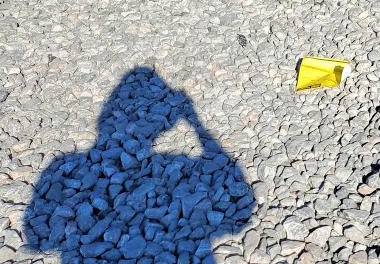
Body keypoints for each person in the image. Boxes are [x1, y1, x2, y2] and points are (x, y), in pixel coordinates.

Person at [24, 67, 254, 263]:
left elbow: (38, 241)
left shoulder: (63, 163)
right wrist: (197, 125)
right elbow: (242, 213)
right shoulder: (68, 165)